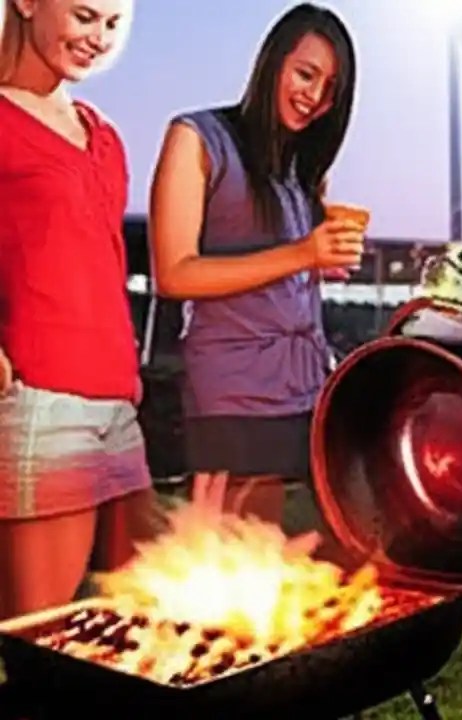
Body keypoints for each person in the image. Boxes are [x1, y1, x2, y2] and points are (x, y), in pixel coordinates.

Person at [148, 3, 362, 527]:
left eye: (329, 88)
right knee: (232, 570)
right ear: (272, 62)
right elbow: (174, 273)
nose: (314, 97)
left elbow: (273, 271)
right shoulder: (197, 137)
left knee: (282, 571)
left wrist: (315, 268)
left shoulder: (303, 170)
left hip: (306, 388)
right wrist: (302, 255)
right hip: (235, 393)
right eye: (305, 74)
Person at [0, 0, 156, 620]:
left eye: (114, 25)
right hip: (44, 406)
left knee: (144, 630)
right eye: (86, 15)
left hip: (120, 406)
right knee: (38, 646)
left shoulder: (105, 135)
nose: (99, 39)